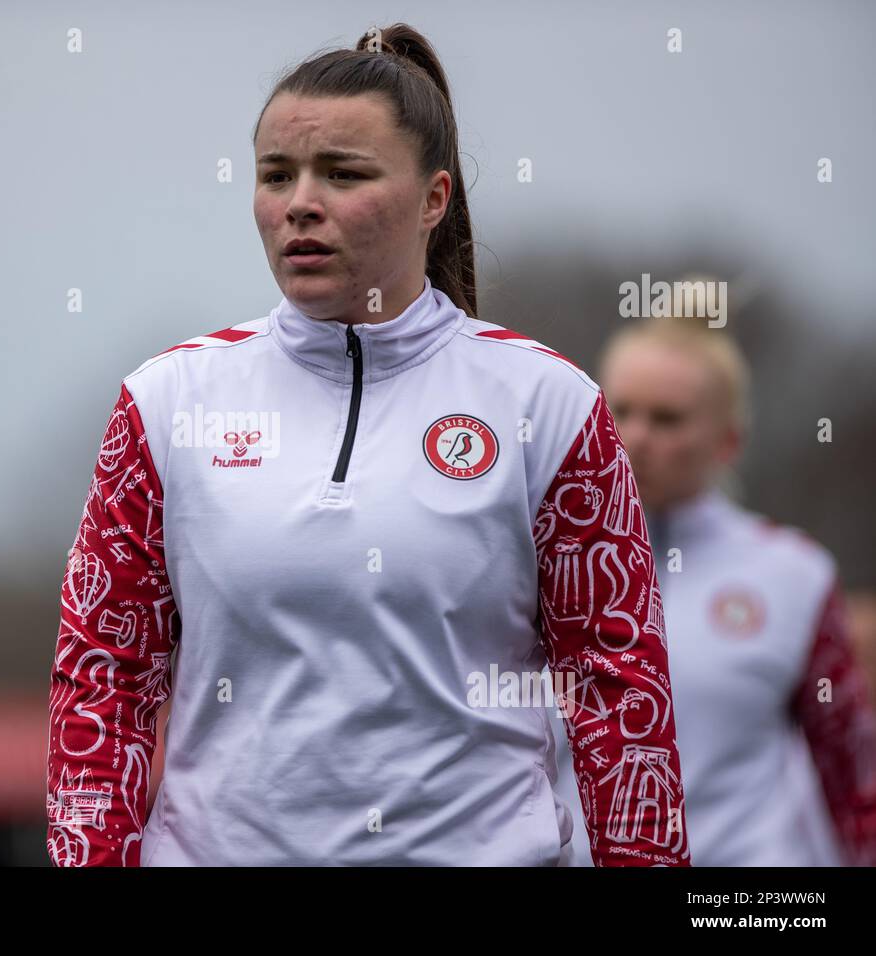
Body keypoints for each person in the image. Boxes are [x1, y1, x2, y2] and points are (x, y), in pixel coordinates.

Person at [46, 23, 690, 866]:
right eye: (277, 175)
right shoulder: (165, 403)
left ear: (434, 199)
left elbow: (620, 691)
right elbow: (104, 683)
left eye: (343, 174)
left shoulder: (549, 403)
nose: (300, 203)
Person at [549, 315, 876, 866]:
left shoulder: (795, 575)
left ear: (728, 441)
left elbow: (852, 774)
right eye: (620, 411)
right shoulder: (550, 561)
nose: (637, 437)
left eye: (668, 419)